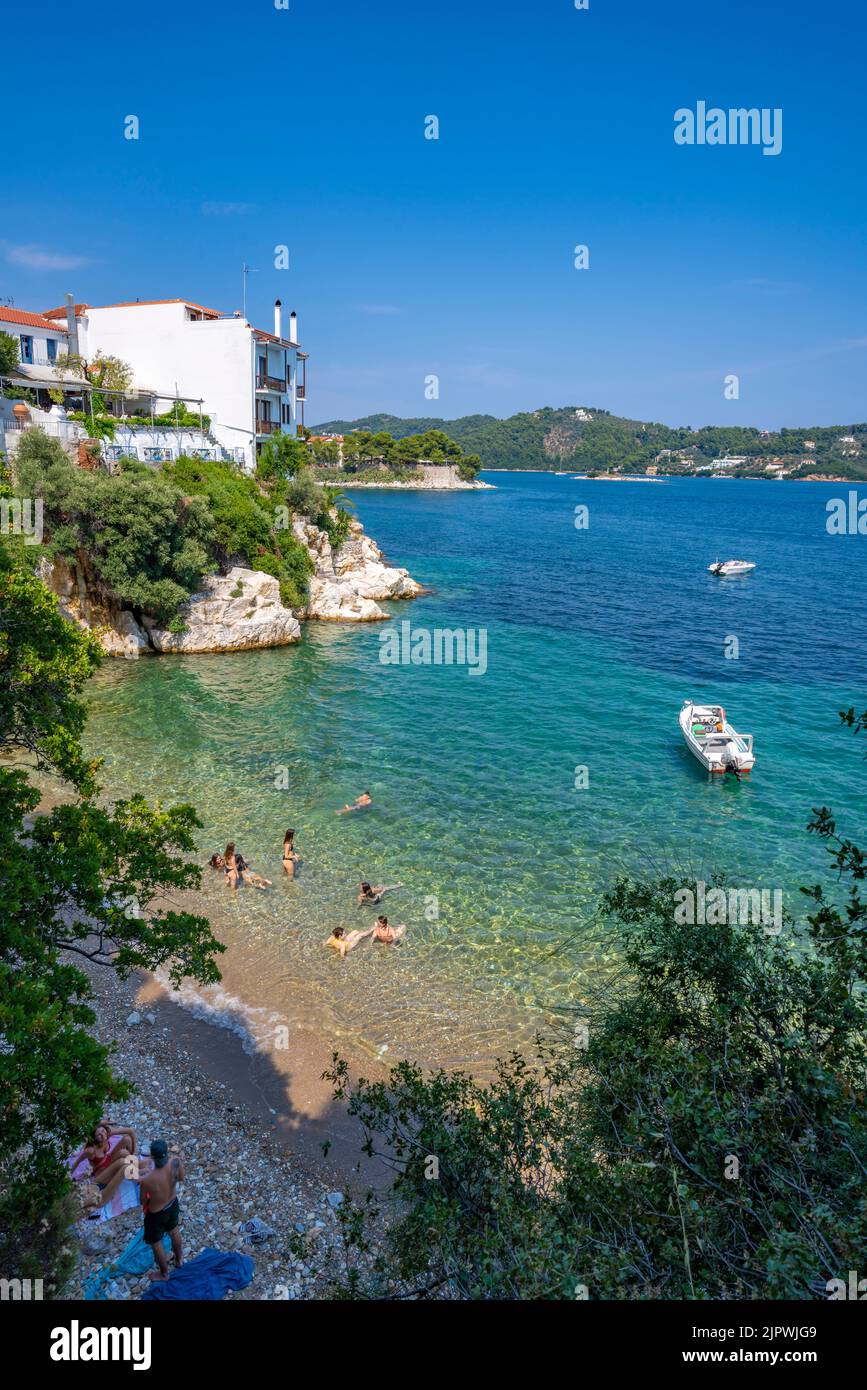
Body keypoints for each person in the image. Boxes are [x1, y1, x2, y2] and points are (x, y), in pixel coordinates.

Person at [141, 1139, 185, 1281]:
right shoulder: (176, 1162)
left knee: (156, 1242)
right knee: (174, 1231)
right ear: (167, 1152)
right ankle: (179, 1260)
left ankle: (164, 1273)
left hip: (157, 1213)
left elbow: (143, 1201)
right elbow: (181, 1178)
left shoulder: (147, 1180)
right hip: (173, 1204)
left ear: (152, 1157)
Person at [71, 1122, 138, 1212]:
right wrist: (69, 1175)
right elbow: (78, 1161)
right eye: (99, 1135)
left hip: (108, 1160)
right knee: (123, 1155)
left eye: (103, 1131)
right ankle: (134, 1171)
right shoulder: (90, 1151)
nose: (103, 1134)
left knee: (127, 1139)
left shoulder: (106, 1134)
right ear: (94, 1139)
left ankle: (134, 1166)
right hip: (102, 1172)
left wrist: (134, 1151)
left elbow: (130, 1131)